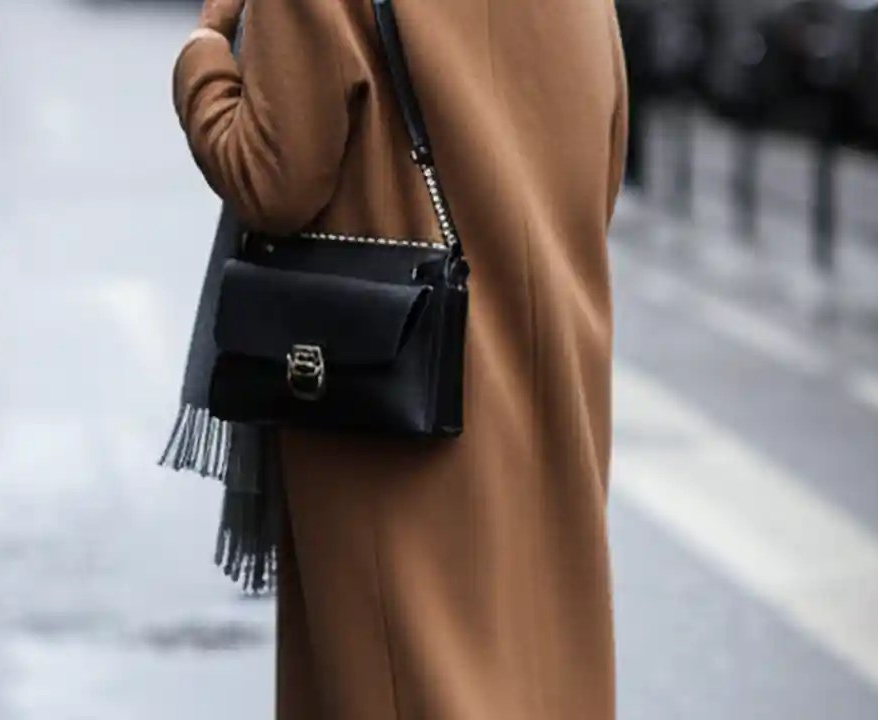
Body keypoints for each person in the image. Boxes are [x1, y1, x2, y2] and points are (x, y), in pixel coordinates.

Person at [172, 0, 628, 716]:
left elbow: (270, 177)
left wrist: (202, 54)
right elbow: (600, 177)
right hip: (553, 411)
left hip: (395, 431)